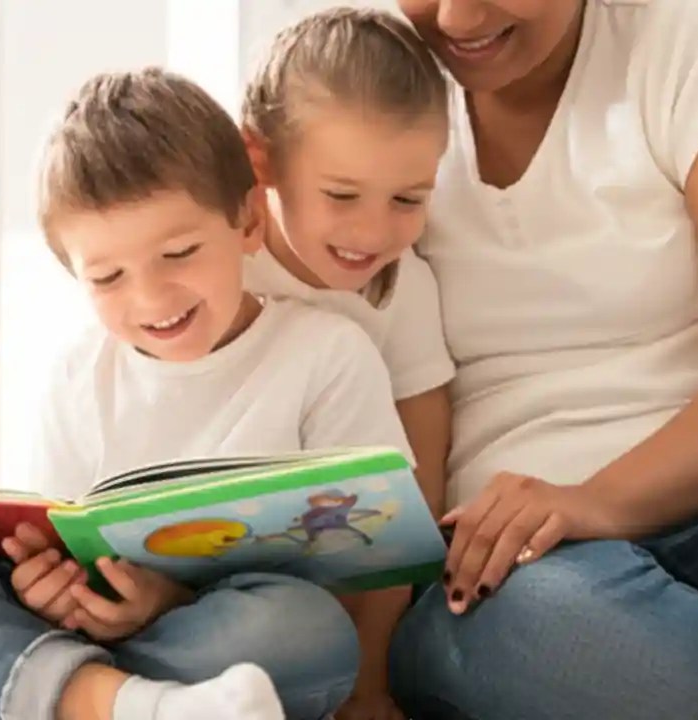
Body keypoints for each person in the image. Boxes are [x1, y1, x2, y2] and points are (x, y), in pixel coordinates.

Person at [0, 67, 422, 720]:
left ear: (248, 221)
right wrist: (49, 589)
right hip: (91, 637)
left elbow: (379, 560)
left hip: (217, 634)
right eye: (108, 277)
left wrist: (167, 602)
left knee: (307, 632)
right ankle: (117, 704)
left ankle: (0, 692)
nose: (151, 298)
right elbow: (58, 537)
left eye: (179, 253)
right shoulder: (78, 373)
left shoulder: (327, 355)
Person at [383, 0, 698, 718]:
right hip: (525, 554)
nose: (458, 17)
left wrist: (594, 501)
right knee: (624, 671)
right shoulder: (370, 79)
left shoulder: (688, 45)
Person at [237, 9, 456, 718]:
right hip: (192, 569)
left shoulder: (404, 290)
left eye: (407, 200)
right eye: (341, 195)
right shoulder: (218, 263)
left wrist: (371, 679)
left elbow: (408, 501)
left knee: (301, 638)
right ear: (260, 162)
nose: (372, 231)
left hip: (319, 596)